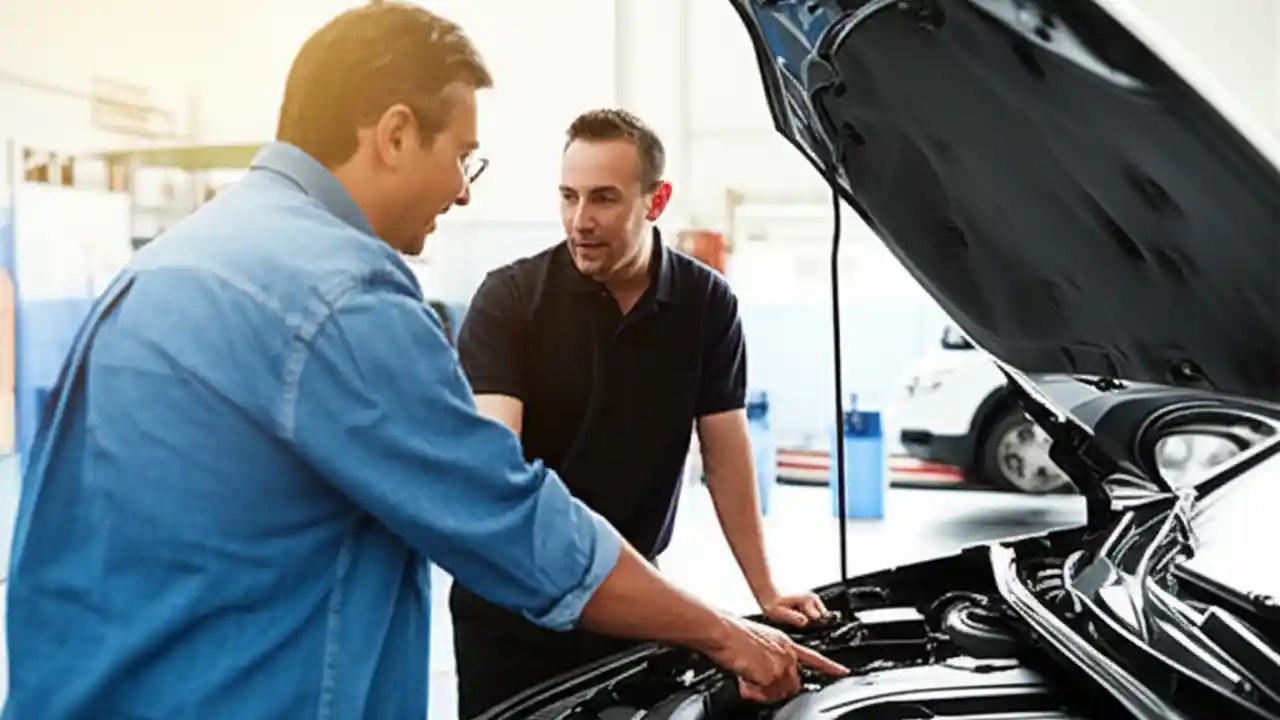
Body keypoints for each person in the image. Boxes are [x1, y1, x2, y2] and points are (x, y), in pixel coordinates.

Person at [1, 5, 846, 718]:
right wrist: (729, 634)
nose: (465, 191)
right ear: (397, 135)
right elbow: (510, 520)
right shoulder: (339, 294)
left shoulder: (175, 262)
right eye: (462, 157)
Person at [451, 108, 831, 716]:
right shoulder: (511, 299)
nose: (581, 221)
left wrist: (766, 588)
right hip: (512, 606)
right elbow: (497, 470)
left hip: (632, 602)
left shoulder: (707, 303)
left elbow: (726, 454)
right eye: (569, 196)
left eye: (603, 199)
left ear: (656, 202)